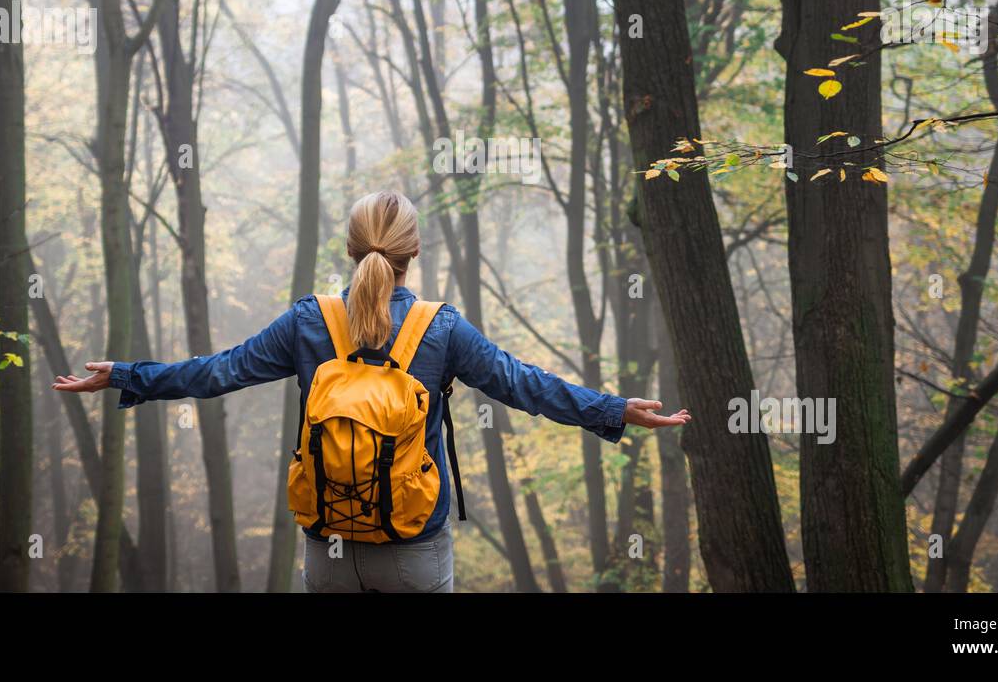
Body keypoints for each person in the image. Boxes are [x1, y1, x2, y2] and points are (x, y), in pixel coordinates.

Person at [54, 189, 690, 592]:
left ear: (352, 249)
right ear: (412, 252)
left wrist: (127, 375)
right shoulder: (440, 330)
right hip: (414, 547)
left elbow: (218, 372)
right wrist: (615, 410)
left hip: (329, 548)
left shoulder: (310, 322)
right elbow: (524, 385)